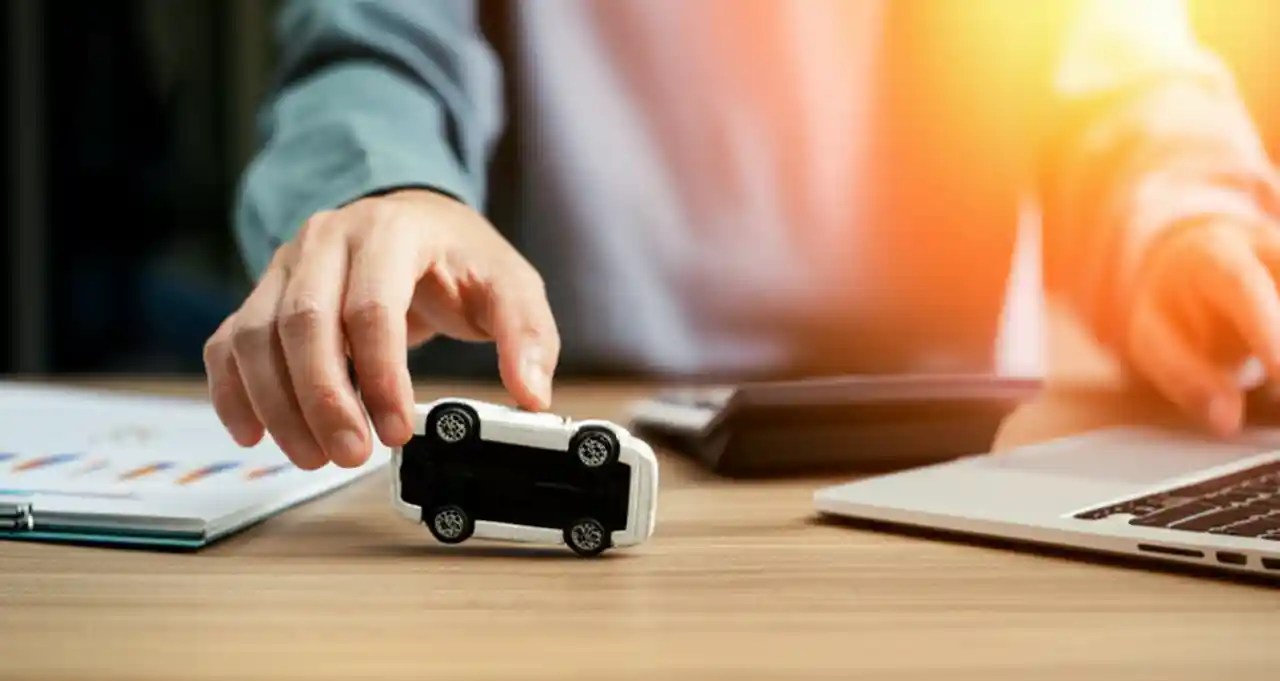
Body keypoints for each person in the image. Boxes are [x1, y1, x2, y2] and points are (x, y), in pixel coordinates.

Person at [204, 0, 1280, 470]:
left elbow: (1119, 81)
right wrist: (386, 188)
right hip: (579, 413)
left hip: (945, 448)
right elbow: (372, 48)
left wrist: (1182, 223)